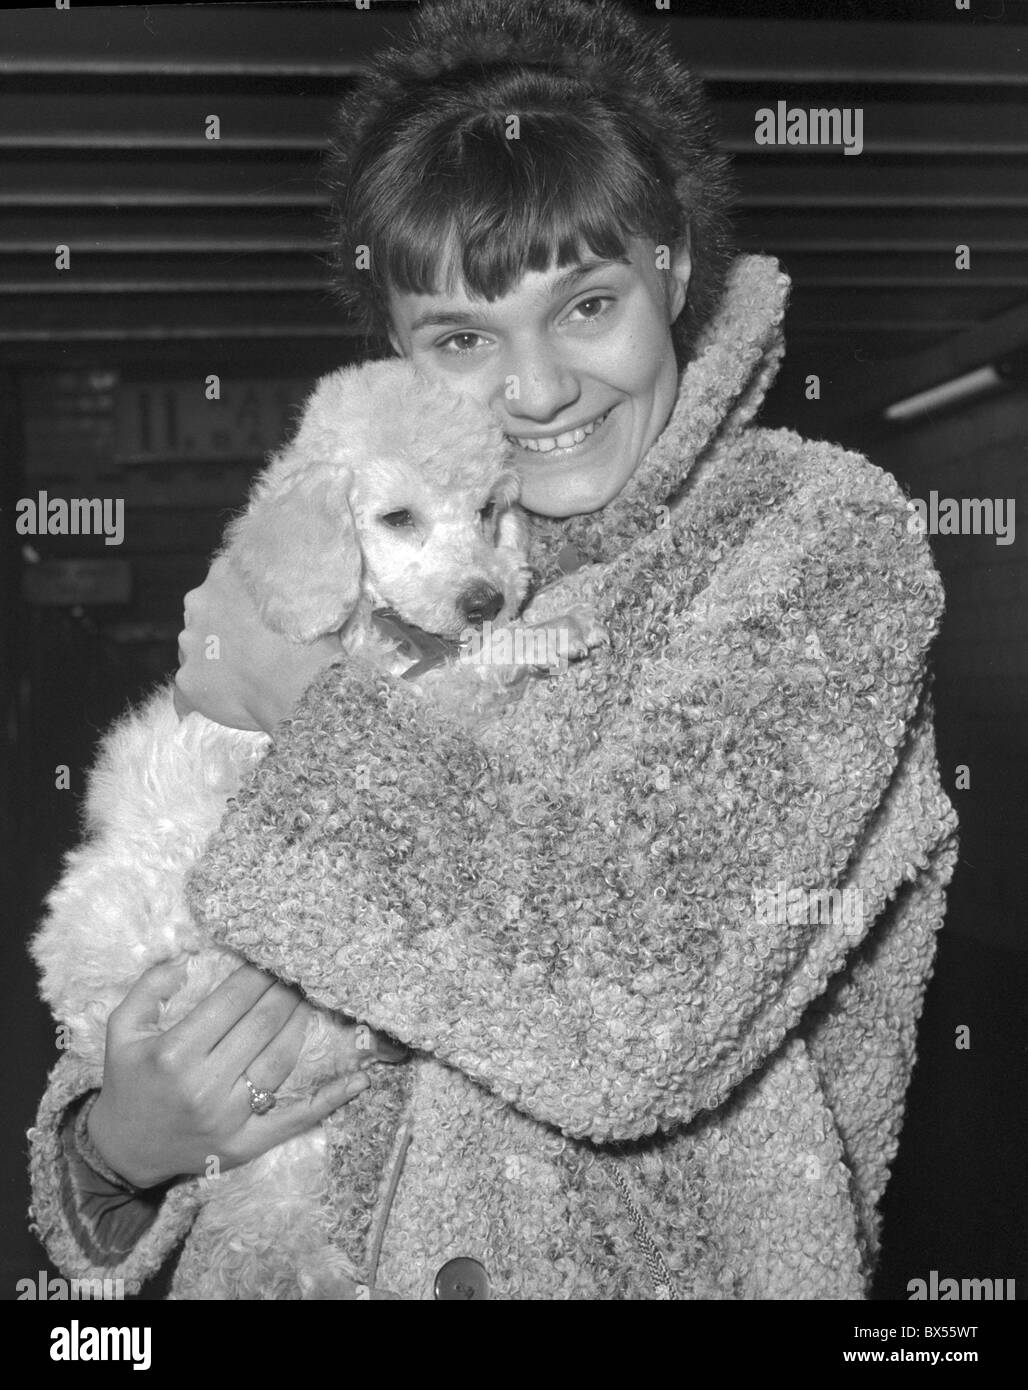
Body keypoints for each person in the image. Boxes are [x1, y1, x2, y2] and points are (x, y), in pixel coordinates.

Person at [29, 0, 958, 1299]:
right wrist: (118, 1146)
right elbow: (178, 914)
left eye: (585, 304)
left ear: (674, 270)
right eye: (463, 338)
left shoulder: (814, 540)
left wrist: (304, 709)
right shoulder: (370, 545)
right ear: (401, 350)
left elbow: (642, 996)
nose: (534, 390)